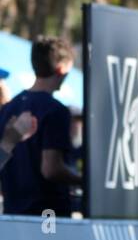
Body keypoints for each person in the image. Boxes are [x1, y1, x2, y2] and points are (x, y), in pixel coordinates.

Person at [0, 37, 81, 217]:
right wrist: (83, 180)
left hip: (13, 214)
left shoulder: (8, 108)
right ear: (62, 69)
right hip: (47, 216)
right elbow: (51, 169)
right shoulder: (55, 111)